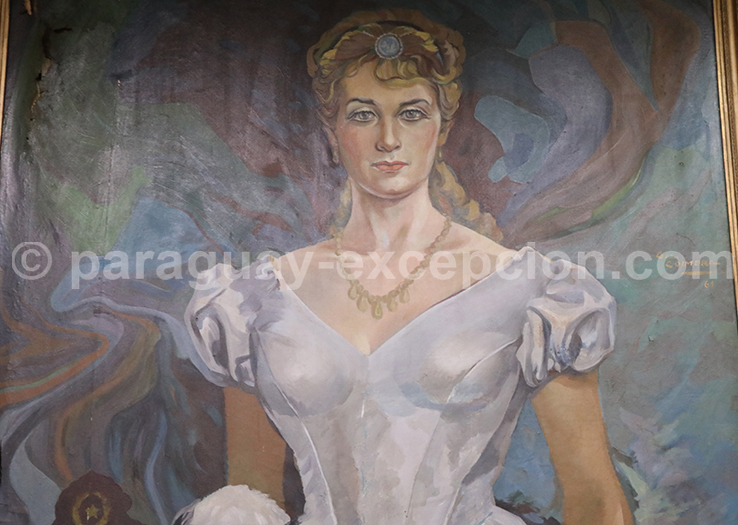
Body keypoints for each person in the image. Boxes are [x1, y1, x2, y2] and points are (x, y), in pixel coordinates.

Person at [182, 9, 633, 525]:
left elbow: (596, 502)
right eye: (363, 114)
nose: (389, 139)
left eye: (412, 113)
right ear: (332, 131)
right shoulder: (255, 301)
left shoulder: (535, 292)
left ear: (443, 128)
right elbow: (253, 500)